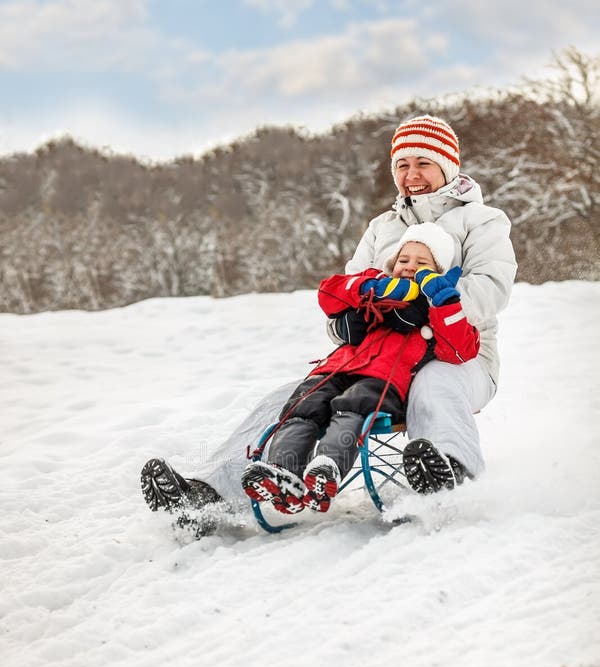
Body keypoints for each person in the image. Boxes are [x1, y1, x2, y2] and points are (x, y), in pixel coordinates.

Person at [140, 114, 516, 525]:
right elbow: (348, 290)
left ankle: (450, 476)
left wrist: (418, 302)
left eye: (423, 163)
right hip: (376, 361)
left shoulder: (481, 221)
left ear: (447, 166)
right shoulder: (383, 227)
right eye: (402, 166)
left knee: (434, 384)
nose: (412, 175)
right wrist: (344, 325)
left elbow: (490, 289)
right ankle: (209, 493)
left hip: (458, 357)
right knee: (294, 397)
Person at [240, 222, 479, 514]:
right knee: (303, 406)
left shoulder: (435, 307)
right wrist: (369, 287)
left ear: (438, 271)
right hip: (336, 370)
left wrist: (444, 302)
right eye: (403, 260)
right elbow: (329, 291)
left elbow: (461, 350)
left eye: (422, 263)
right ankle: (283, 472)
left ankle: (326, 468)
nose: (409, 267)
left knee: (353, 405)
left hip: (384, 380)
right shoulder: (376, 286)